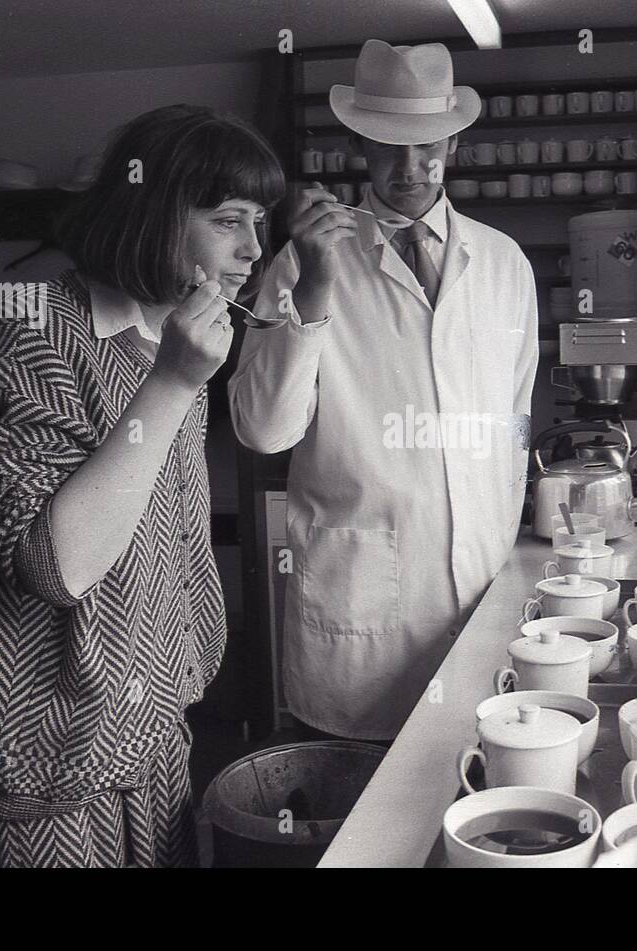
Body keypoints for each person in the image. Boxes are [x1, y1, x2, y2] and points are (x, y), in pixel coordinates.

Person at [0, 105, 284, 867]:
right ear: (156, 214)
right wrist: (172, 386)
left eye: (259, 221)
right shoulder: (38, 325)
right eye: (229, 220)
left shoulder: (166, 338)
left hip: (151, 742)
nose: (254, 250)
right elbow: (52, 567)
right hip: (51, 770)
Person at [228, 40, 538, 741]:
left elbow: (515, 419)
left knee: (477, 799)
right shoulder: (302, 261)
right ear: (358, 144)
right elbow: (263, 431)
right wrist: (313, 290)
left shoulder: (501, 263)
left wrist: (505, 538)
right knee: (364, 823)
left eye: (425, 144)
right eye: (386, 146)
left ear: (454, 140)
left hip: (484, 592)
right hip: (361, 609)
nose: (408, 168)